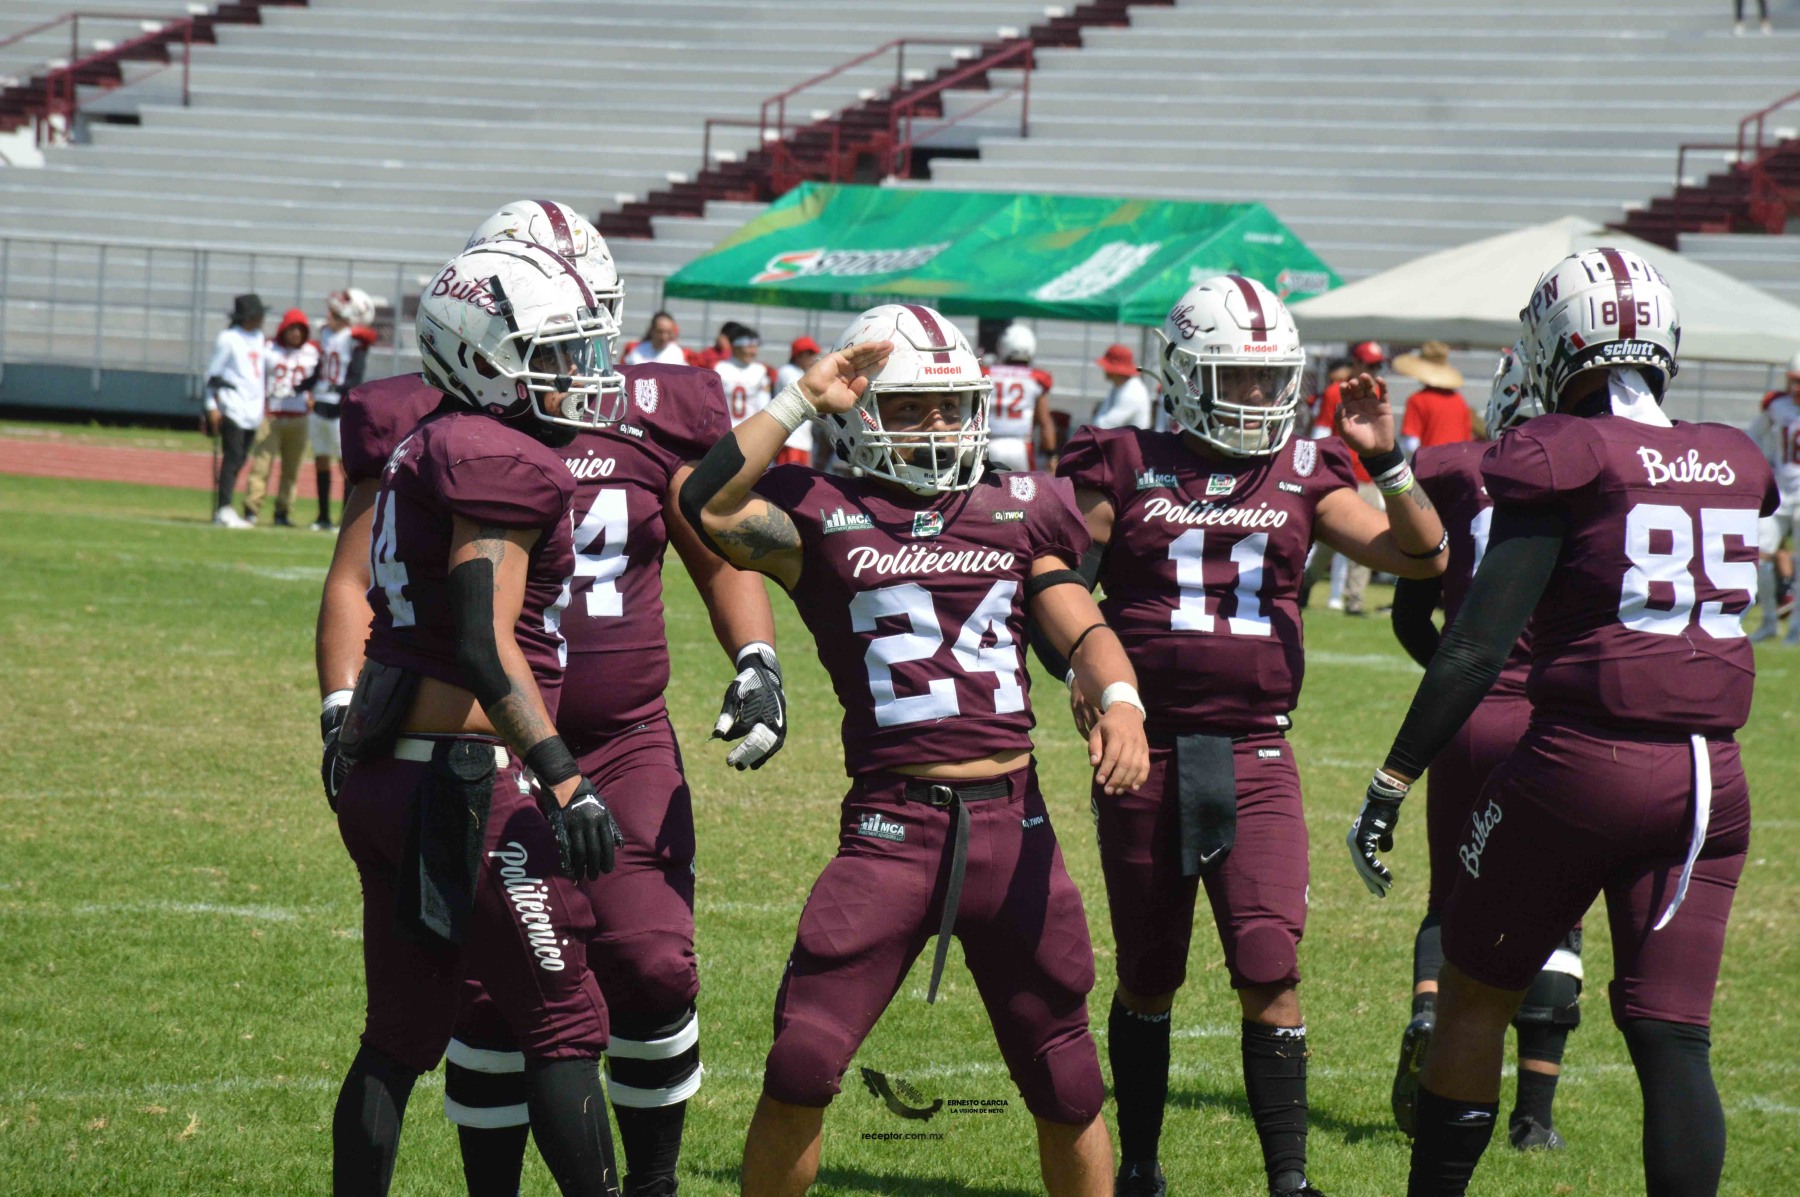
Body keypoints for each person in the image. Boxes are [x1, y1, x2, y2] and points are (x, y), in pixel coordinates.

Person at [678, 302, 1152, 1197]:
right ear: (860, 413)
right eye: (910, 407)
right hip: (892, 826)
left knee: (1068, 1079)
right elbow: (706, 503)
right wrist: (797, 399)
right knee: (802, 1061)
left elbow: (1084, 628)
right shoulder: (821, 512)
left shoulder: (1018, 508)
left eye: (951, 404)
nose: (937, 424)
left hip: (1014, 824)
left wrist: (1120, 699)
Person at [1347, 248, 1775, 1197]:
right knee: (1673, 1036)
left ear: (1552, 344)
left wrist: (1391, 778)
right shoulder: (1736, 456)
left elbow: (1474, 646)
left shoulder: (1559, 451)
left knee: (1470, 996)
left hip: (1584, 760)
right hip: (1711, 781)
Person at [1053, 275, 1447, 1197]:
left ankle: (1289, 1180)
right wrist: (1086, 672)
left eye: (1271, 379)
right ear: (1185, 375)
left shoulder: (1306, 467)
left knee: (1270, 961)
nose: (1258, 396)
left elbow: (1421, 553)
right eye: (1237, 377)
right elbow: (1054, 581)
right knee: (1149, 970)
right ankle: (1140, 1166)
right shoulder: (1124, 458)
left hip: (1257, 748)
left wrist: (1386, 460)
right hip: (1146, 746)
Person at [330, 239, 628, 1197]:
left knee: (397, 1036)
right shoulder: (497, 456)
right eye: (555, 353)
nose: (579, 373)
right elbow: (482, 638)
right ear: (481, 356)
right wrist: (564, 776)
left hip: (391, 767)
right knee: (564, 1024)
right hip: (467, 782)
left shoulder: (427, 440)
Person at [1386, 344, 1582, 1152]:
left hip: (1471, 717)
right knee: (1559, 906)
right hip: (1560, 719)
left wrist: (1456, 684)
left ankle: (1429, 1009)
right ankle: (1534, 1118)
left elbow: (1409, 616)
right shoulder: (1603, 469)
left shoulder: (1453, 468)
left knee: (1450, 895)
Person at [1303, 340, 1388, 613]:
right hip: (1340, 476)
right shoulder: (1334, 392)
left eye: (1378, 366)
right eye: (1370, 365)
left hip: (1367, 475)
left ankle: (1354, 600)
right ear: (1357, 363)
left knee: (1370, 540)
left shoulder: (1378, 393)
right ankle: (1306, 582)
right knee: (1328, 542)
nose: (1374, 371)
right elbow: (1320, 433)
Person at [244, 308, 320, 527]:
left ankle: (283, 511)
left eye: (300, 329)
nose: (296, 333)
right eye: (292, 328)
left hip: (299, 416)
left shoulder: (312, 352)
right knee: (261, 466)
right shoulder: (269, 348)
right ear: (283, 329)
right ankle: (251, 508)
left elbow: (320, 379)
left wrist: (314, 397)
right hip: (272, 416)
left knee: (292, 469)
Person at [312, 289, 378, 530]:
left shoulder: (355, 338)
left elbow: (355, 376)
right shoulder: (326, 334)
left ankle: (346, 520)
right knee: (321, 460)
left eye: (336, 312)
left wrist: (341, 391)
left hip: (339, 407)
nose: (329, 315)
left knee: (346, 466)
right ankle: (322, 516)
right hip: (320, 404)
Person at [1748, 351, 1800, 643]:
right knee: (1759, 555)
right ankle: (1769, 620)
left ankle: (1796, 627)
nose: (1795, 388)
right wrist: (1763, 465)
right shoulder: (1776, 405)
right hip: (1780, 492)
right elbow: (1753, 436)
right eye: (1793, 381)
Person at [203, 293, 267, 528]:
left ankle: (227, 505)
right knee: (232, 457)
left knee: (240, 458)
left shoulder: (259, 338)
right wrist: (211, 406)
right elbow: (212, 375)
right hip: (233, 405)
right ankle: (223, 508)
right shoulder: (228, 338)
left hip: (253, 409)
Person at [986, 322, 1059, 470]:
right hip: (1021, 446)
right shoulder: (1037, 378)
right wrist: (1051, 454)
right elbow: (1045, 422)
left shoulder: (986, 374)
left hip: (989, 444)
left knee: (985, 485)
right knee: (1024, 485)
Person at [1394, 342, 1474, 455]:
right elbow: (1467, 440)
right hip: (1458, 462)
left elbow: (1410, 444)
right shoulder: (1459, 400)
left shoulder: (1417, 400)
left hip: (1430, 462)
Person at [713, 325, 776, 429]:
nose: (753, 351)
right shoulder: (719, 369)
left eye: (755, 347)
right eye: (749, 347)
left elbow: (764, 408)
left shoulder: (760, 371)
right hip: (724, 429)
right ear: (735, 347)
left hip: (750, 430)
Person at [772, 335, 821, 466]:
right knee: (787, 477)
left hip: (802, 439)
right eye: (809, 354)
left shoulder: (801, 373)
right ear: (798, 355)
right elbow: (800, 393)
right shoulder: (787, 371)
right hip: (790, 438)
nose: (812, 359)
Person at [1091, 343, 1153, 430]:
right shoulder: (1119, 386)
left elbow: (1104, 426)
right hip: (1120, 436)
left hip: (1133, 438)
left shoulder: (1133, 392)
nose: (1104, 369)